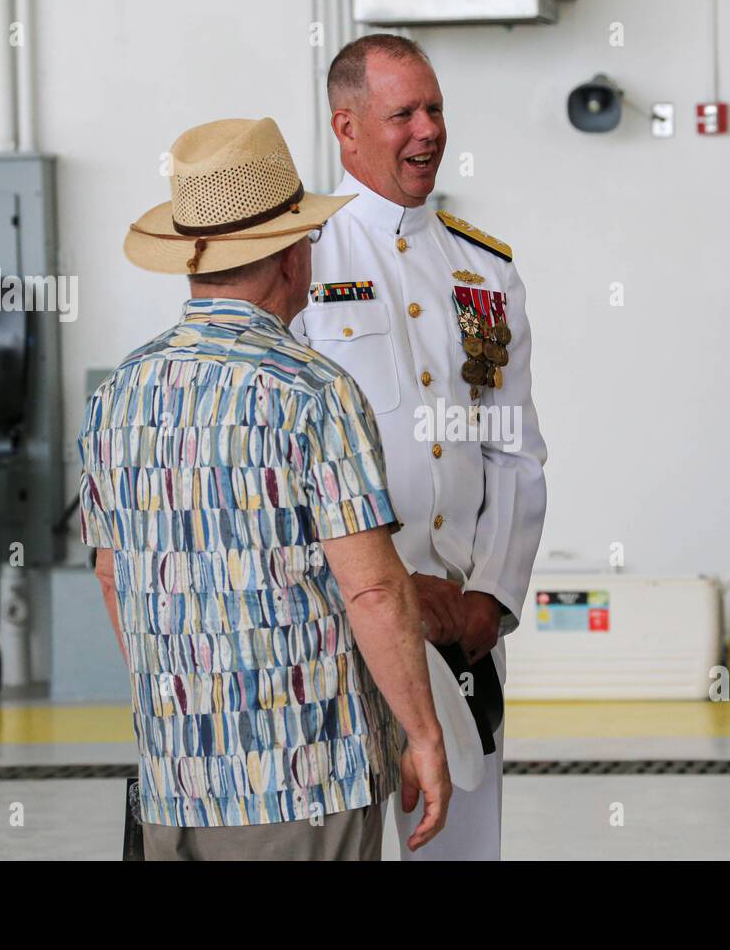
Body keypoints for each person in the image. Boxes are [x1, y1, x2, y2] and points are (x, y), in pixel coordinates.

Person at [79, 117, 451, 860]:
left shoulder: (120, 391)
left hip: (174, 777)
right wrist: (423, 733)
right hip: (303, 777)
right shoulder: (313, 390)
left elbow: (114, 573)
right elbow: (372, 590)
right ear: (291, 257)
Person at [292, 33, 548, 861]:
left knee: (459, 846)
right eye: (402, 113)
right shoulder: (303, 256)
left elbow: (513, 448)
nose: (428, 130)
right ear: (348, 126)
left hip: (465, 632)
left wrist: (492, 597)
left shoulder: (483, 269)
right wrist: (389, 589)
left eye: (434, 108)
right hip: (345, 628)